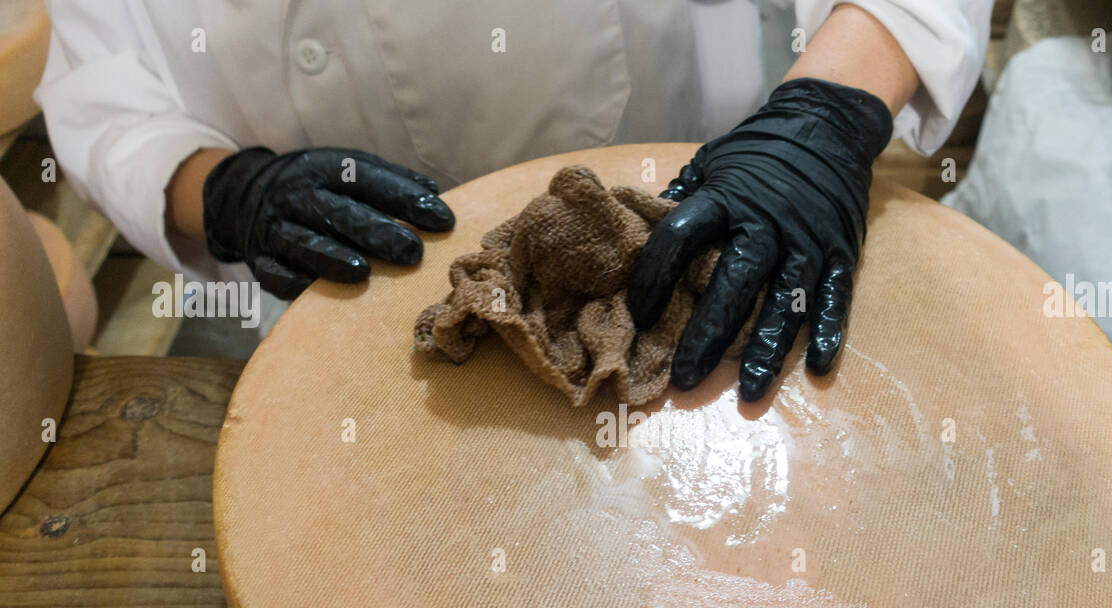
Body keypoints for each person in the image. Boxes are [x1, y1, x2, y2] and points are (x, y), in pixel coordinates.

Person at [36, 0, 990, 399]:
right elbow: (94, 69)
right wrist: (223, 189)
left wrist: (830, 104)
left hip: (712, 204)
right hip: (343, 269)